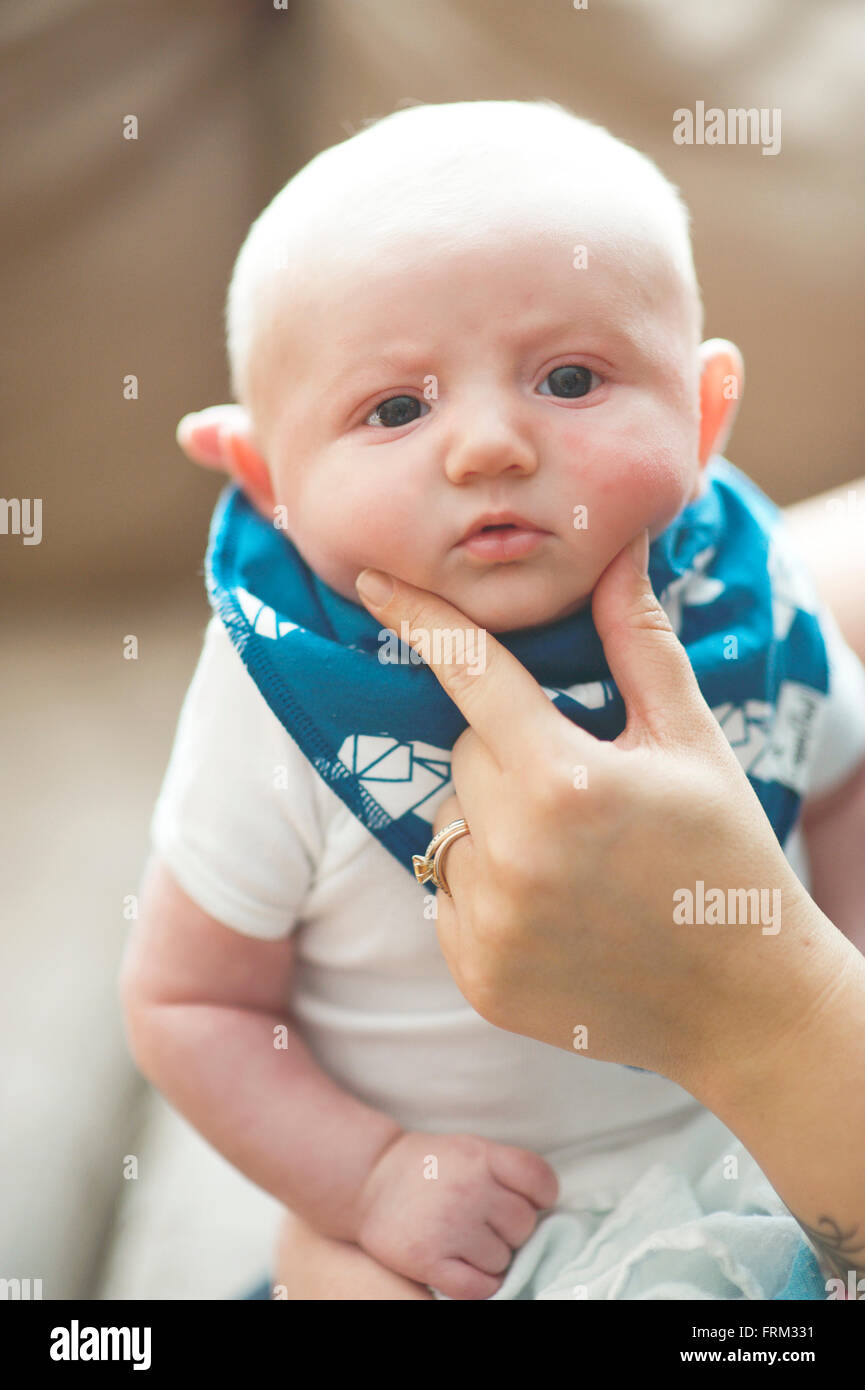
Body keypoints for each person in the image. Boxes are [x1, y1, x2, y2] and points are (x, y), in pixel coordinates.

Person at [120, 99, 865, 1300]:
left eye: (570, 377)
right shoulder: (277, 691)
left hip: (779, 1162)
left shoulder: (747, 595)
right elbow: (187, 997)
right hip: (475, 1239)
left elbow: (839, 786)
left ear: (704, 406)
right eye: (396, 408)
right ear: (269, 482)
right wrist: (368, 1181)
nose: (488, 447)